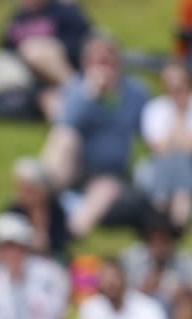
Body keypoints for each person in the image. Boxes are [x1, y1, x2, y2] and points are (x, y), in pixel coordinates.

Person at [39, 37, 149, 238]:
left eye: (108, 61)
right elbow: (65, 122)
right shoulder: (76, 88)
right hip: (75, 168)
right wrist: (89, 93)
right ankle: (43, 197)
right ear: (86, 64)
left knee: (106, 187)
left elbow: (149, 129)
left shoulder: (135, 92)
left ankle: (70, 233)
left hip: (110, 173)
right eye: (98, 62)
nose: (104, 68)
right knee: (64, 137)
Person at [136, 61, 192, 230]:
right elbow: (159, 150)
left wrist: (180, 115)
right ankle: (164, 217)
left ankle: (172, 222)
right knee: (168, 163)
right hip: (165, 171)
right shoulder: (153, 109)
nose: (175, 89)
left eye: (179, 84)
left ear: (190, 84)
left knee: (182, 161)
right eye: (170, 84)